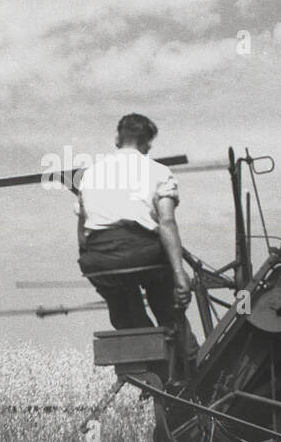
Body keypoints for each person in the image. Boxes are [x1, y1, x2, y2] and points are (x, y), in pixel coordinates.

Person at [75, 113, 193, 331]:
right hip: (143, 255)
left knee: (125, 313)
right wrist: (179, 274)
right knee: (168, 309)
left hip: (99, 260)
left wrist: (91, 262)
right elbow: (167, 222)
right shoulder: (159, 171)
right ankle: (180, 346)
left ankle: (134, 333)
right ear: (147, 143)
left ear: (117, 140)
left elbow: (82, 234)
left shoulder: (89, 175)